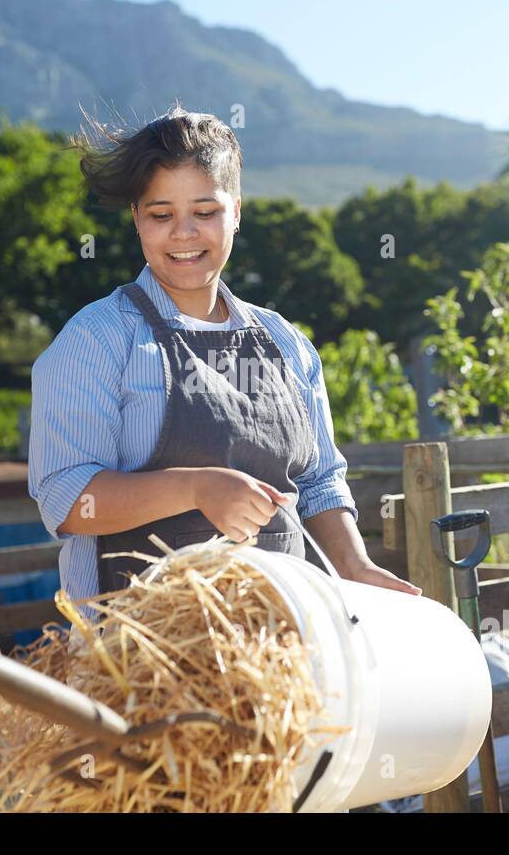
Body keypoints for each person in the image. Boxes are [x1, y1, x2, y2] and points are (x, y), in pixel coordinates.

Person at [28, 105, 421, 601]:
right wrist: (195, 488)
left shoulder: (285, 342)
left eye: (205, 212)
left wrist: (353, 566)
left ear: (236, 211)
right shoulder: (97, 340)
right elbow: (65, 499)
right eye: (161, 214)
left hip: (277, 645)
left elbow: (319, 481)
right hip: (138, 656)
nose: (184, 233)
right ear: (136, 219)